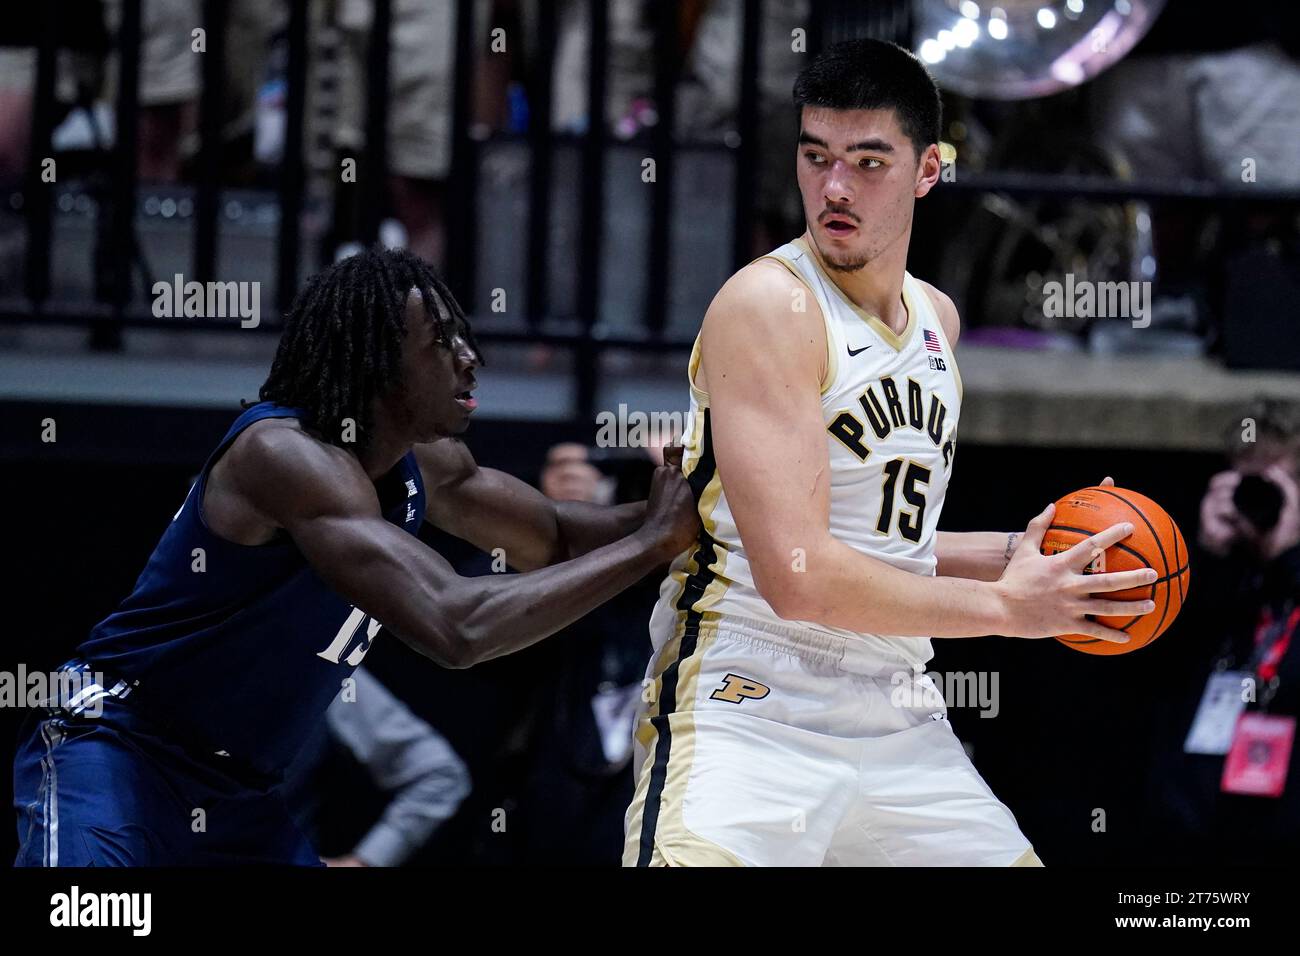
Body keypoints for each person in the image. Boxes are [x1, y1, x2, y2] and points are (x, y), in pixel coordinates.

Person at [622, 38, 1158, 868]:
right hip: (754, 698)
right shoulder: (769, 304)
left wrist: (1023, 555)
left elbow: (881, 547)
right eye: (817, 157)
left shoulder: (937, 321)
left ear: (927, 171)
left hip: (896, 707)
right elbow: (800, 576)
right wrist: (1011, 609)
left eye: (868, 161)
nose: (835, 187)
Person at [13, 247, 698, 866]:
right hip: (117, 750)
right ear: (378, 360)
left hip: (235, 791)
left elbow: (555, 537)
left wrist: (704, 505)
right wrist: (649, 545)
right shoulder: (283, 457)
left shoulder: (427, 462)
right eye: (441, 342)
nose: (469, 356)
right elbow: (457, 627)